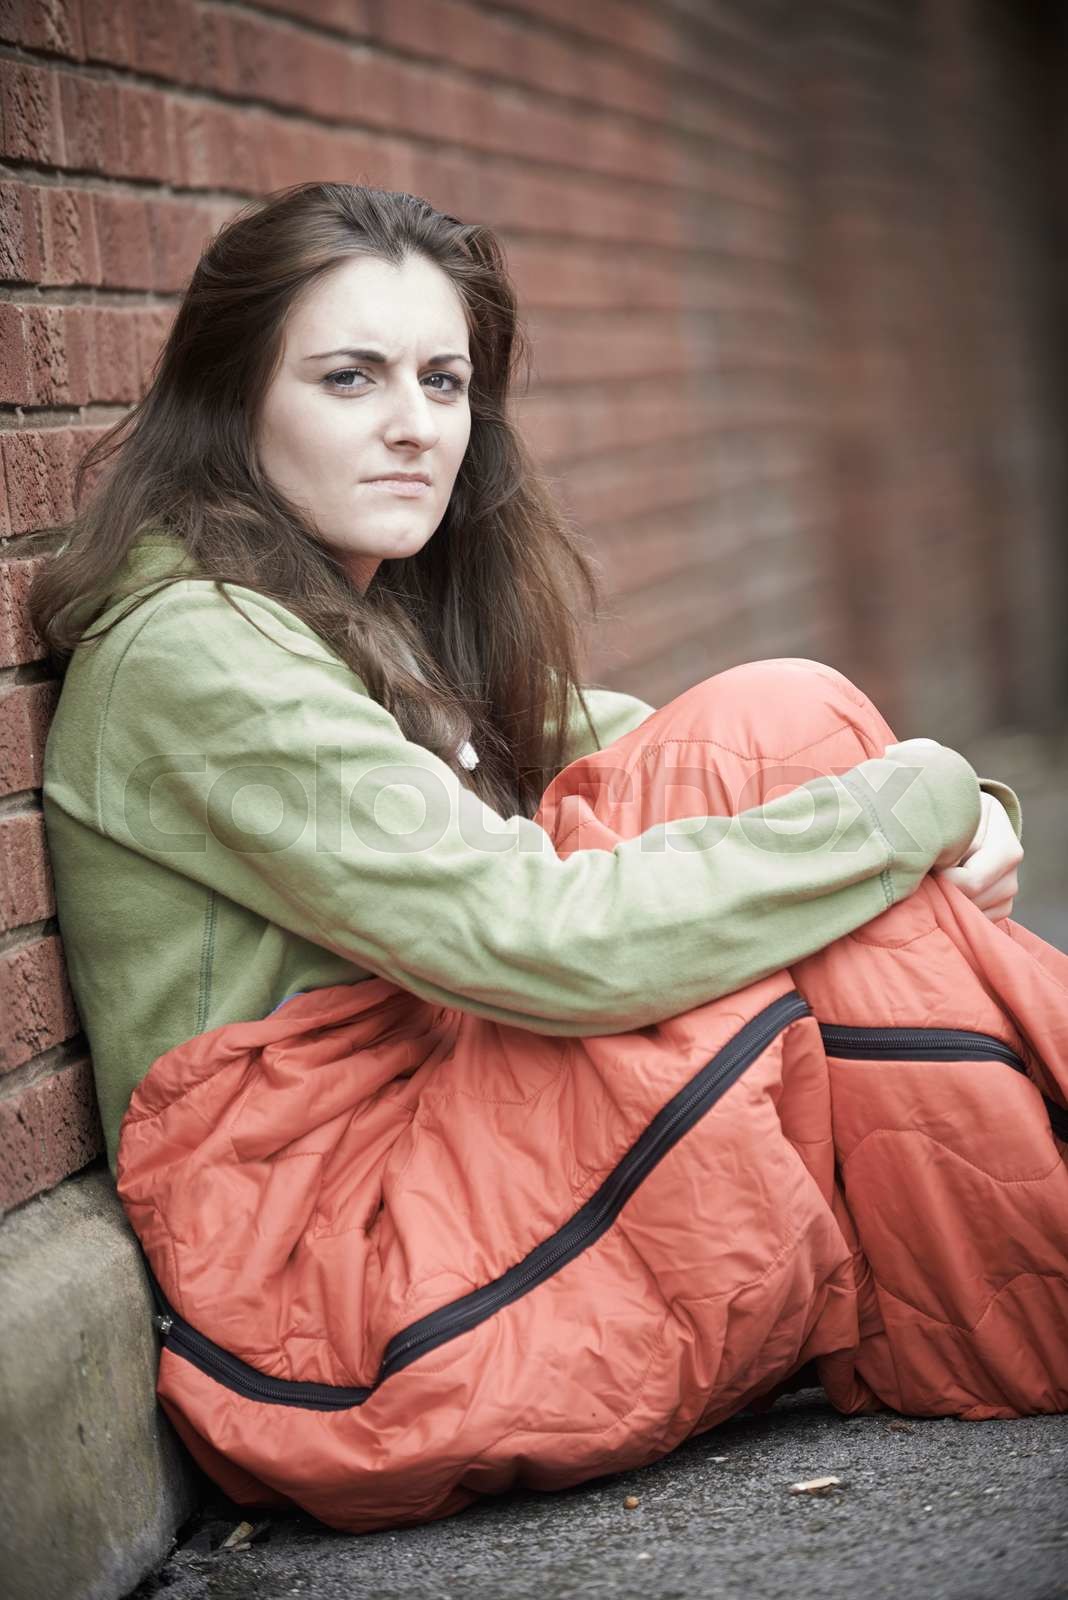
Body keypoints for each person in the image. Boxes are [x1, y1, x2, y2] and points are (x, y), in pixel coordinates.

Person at [28, 184, 1052, 1533]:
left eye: (444, 381)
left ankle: (1015, 1281)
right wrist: (915, 807)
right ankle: (1021, 1289)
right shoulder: (194, 649)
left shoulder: (357, 613)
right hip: (339, 1298)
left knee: (783, 726)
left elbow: (717, 768)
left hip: (456, 1157)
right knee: (801, 856)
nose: (414, 424)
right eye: (350, 378)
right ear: (231, 403)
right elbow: (546, 941)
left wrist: (961, 800)